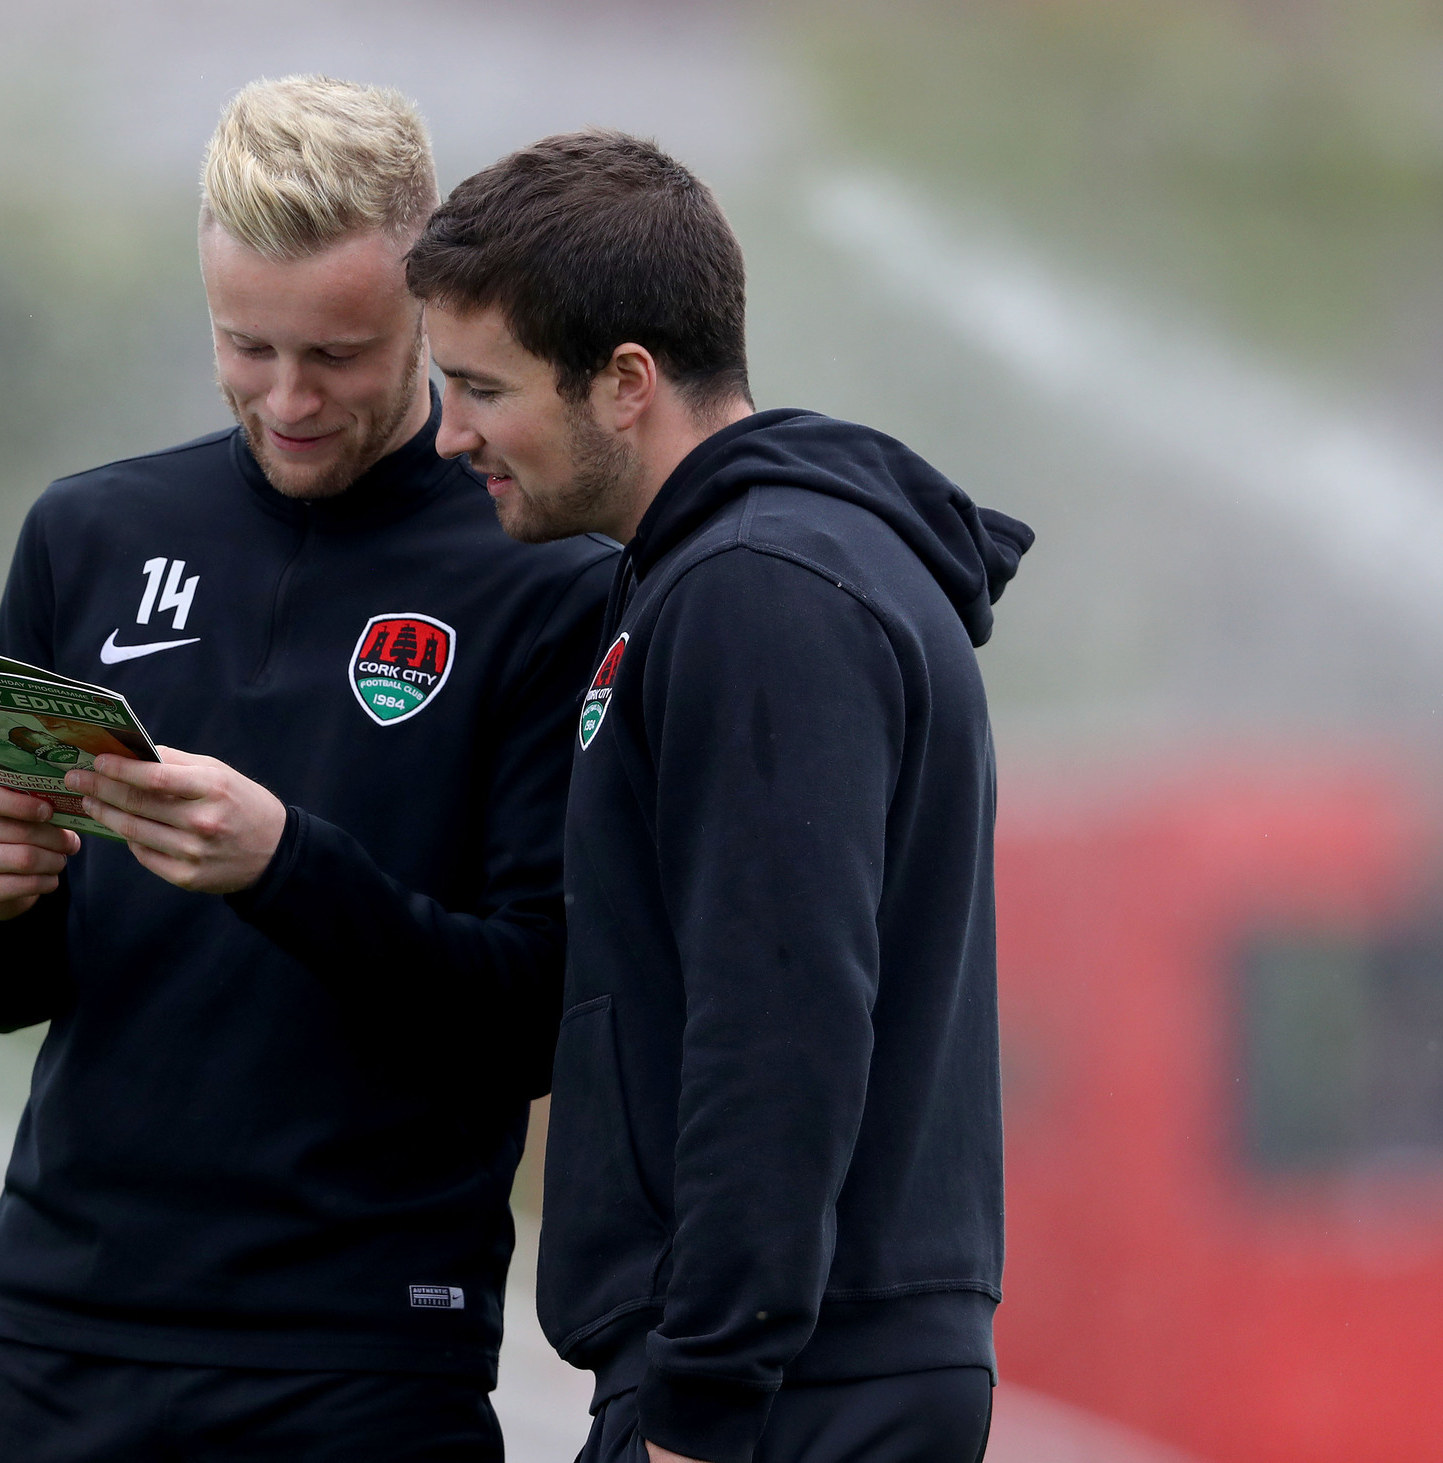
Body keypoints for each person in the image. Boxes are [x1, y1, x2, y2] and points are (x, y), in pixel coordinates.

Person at [0, 79, 614, 1462]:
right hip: (62, 1334)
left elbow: (536, 1014)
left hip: (361, 1361)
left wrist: (287, 868)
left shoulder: (551, 578)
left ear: (427, 305)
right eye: (248, 348)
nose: (288, 399)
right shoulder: (90, 531)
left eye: (341, 355)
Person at [407, 132, 1033, 1463]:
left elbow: (781, 1021)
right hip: (777, 1380)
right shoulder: (728, 576)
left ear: (625, 383)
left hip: (775, 1396)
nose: (450, 433)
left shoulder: (762, 594)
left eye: (479, 388)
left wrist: (698, 1404)